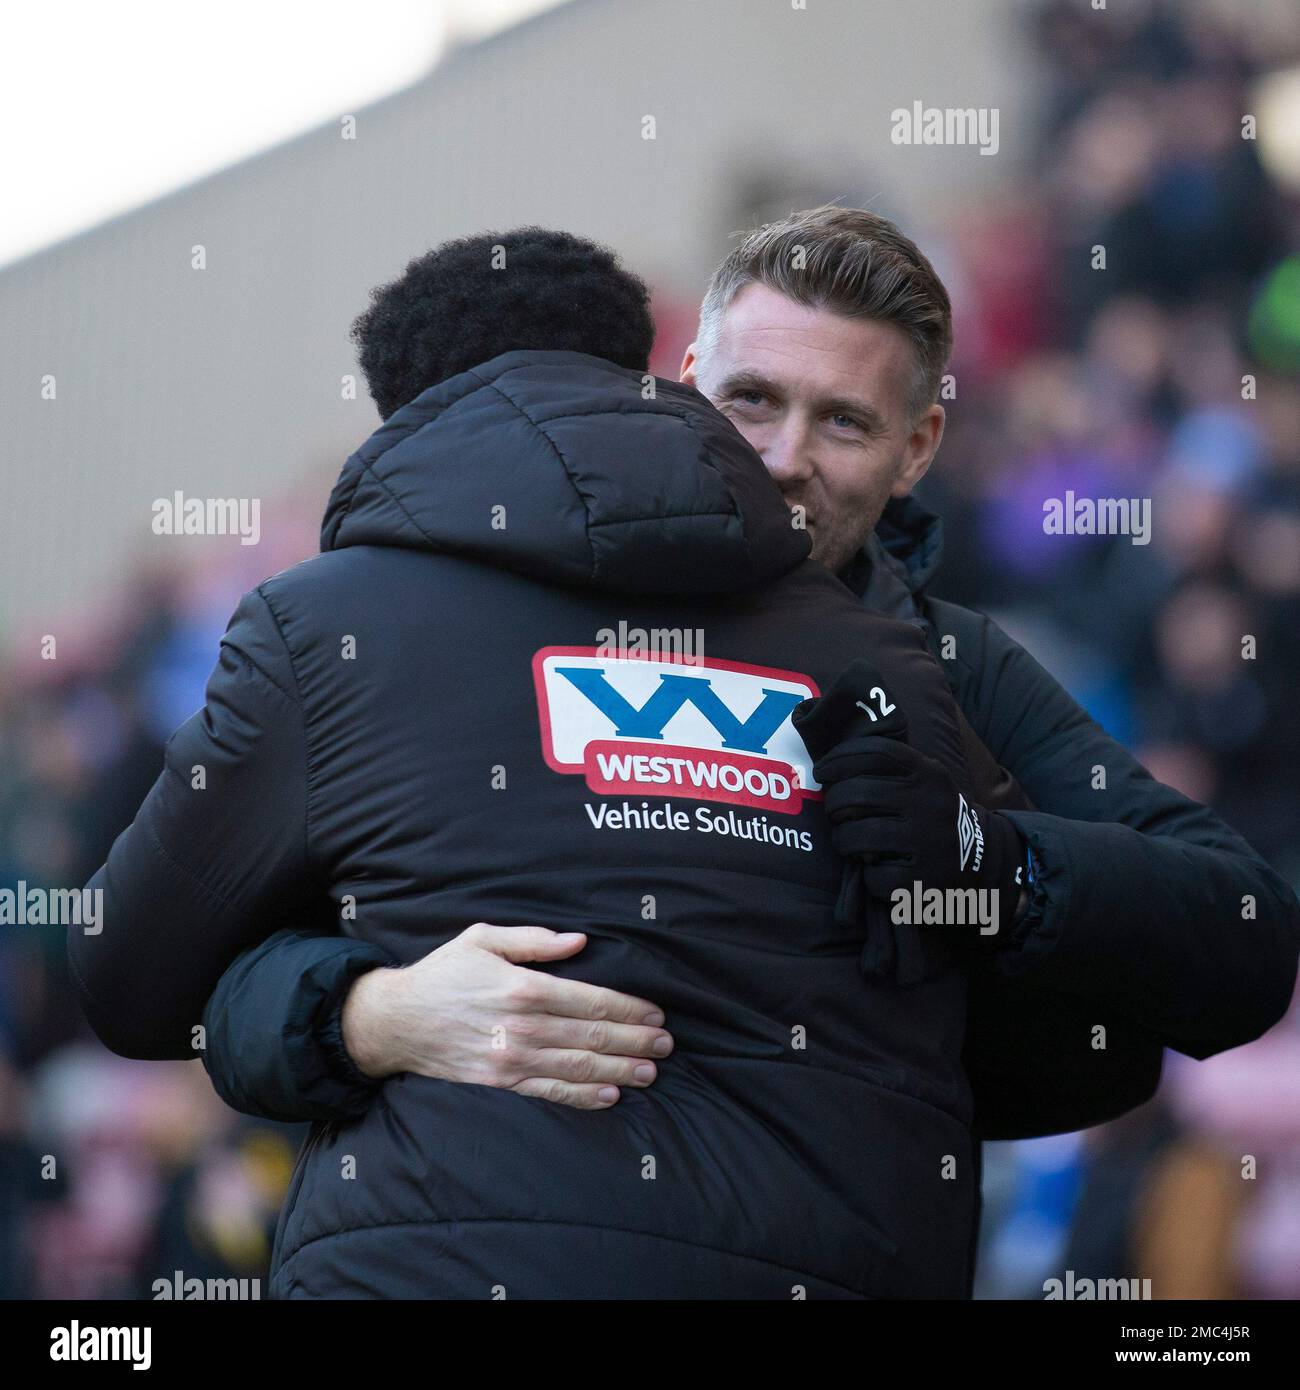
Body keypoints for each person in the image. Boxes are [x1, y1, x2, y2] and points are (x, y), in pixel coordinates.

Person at [196, 206, 1300, 1159]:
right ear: (682, 386)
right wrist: (370, 1014)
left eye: (845, 422)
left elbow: (1244, 932)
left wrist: (989, 862)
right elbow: (192, 987)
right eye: (754, 399)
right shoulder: (490, 615)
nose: (783, 457)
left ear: (918, 447)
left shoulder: (950, 660)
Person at [70, 226, 1044, 1299]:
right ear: (646, 378)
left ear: (409, 420)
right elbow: (1077, 1025)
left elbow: (129, 981)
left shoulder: (322, 626)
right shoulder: (884, 650)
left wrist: (361, 1012)